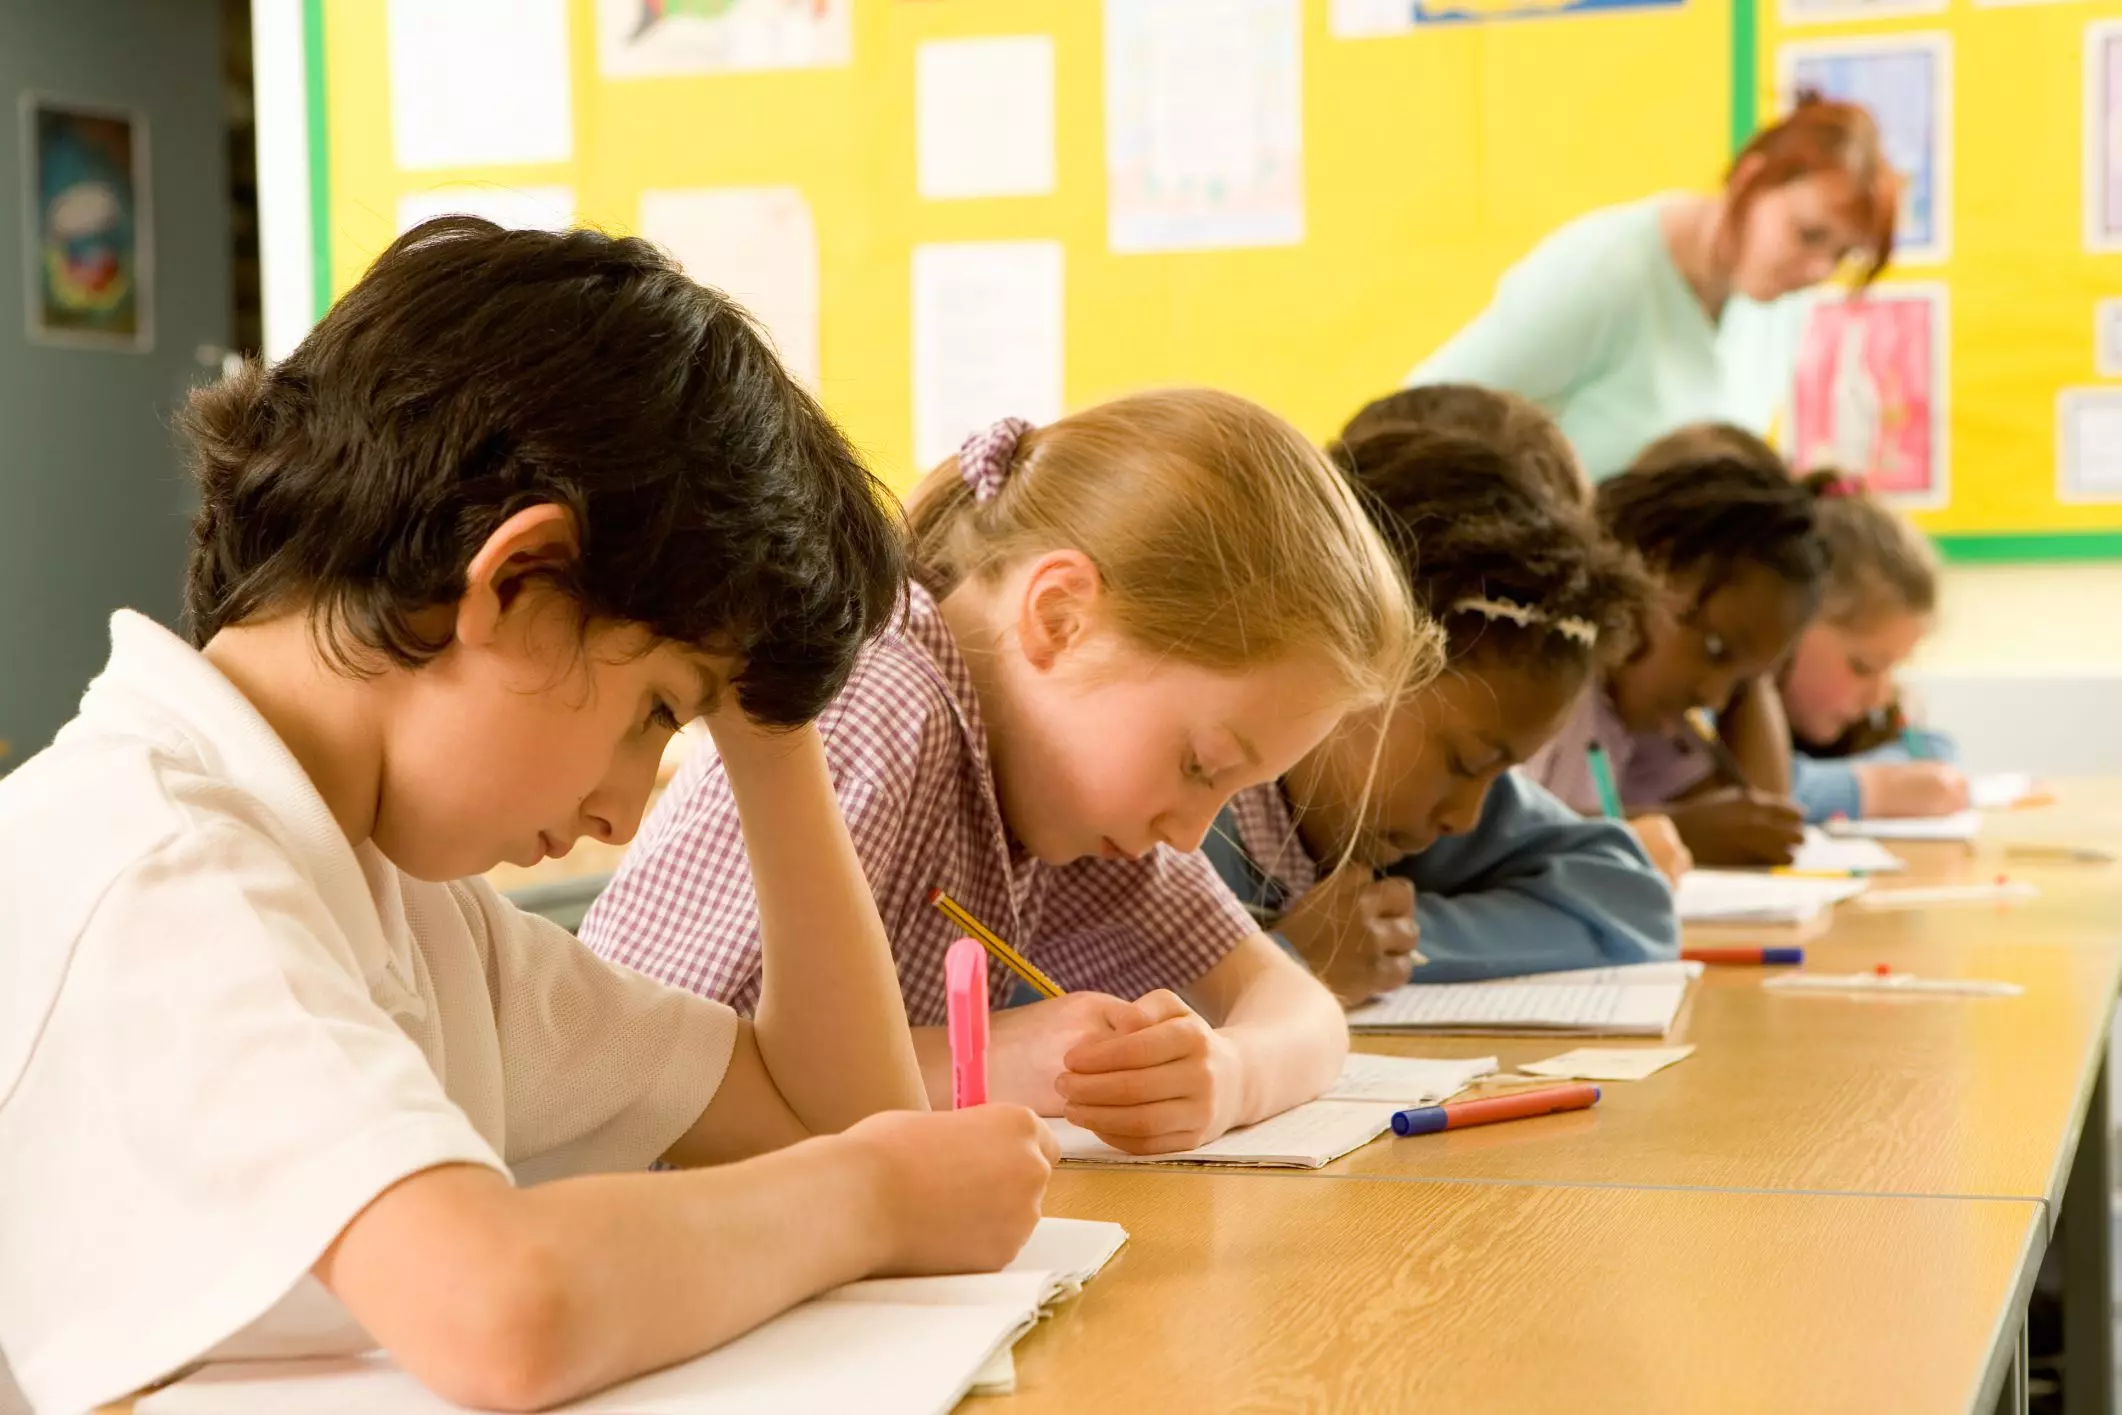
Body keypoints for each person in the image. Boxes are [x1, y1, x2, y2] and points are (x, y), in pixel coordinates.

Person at [0, 219, 1055, 1415]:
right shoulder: (157, 864)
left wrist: (766, 722)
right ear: (514, 583)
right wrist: (869, 1195)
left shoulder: (406, 902)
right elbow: (502, 1312)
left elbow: (836, 1114)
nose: (620, 811)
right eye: (654, 712)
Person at [1405, 95, 1897, 481]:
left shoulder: (1781, 300)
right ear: (1751, 179)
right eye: (1808, 234)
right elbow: (1410, 420)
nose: (1818, 269)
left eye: (1840, 254)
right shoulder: (1604, 272)